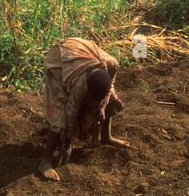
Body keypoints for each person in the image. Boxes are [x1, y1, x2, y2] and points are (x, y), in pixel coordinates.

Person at [38, 37, 127, 181]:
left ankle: (106, 136)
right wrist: (68, 143)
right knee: (59, 113)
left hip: (79, 51)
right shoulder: (80, 86)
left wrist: (103, 106)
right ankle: (45, 162)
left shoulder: (111, 64)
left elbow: (110, 85)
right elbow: (71, 112)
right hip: (59, 61)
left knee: (112, 98)